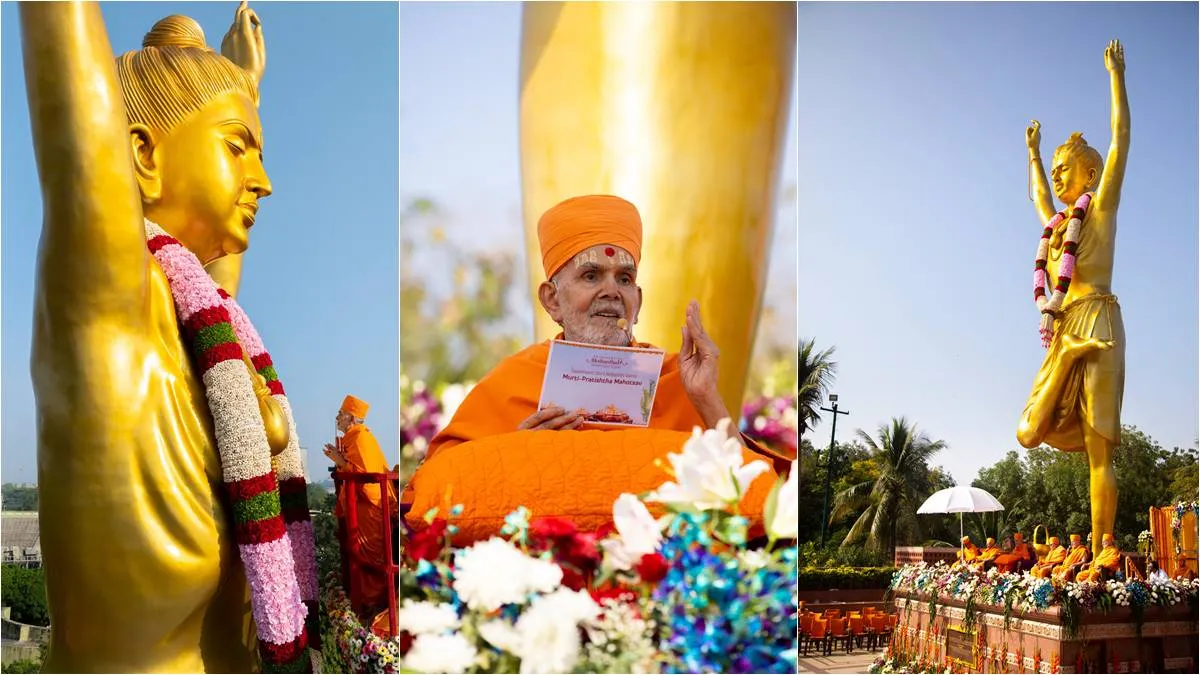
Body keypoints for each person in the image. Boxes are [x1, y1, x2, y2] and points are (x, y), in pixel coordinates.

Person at [20, 3, 318, 672]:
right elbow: (73, 113)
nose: (264, 183)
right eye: (238, 146)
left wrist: (244, 87)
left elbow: (219, 284)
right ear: (141, 154)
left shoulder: (203, 329)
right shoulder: (104, 300)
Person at [403, 195, 791, 536]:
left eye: (624, 278)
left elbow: (763, 500)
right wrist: (511, 456)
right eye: (591, 276)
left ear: (637, 299)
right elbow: (438, 496)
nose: (611, 292)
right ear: (552, 300)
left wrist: (707, 399)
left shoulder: (677, 379)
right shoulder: (514, 380)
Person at [1017, 40, 1129, 559]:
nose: (1060, 176)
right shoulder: (1059, 226)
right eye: (1057, 168)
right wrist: (1035, 155)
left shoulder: (1098, 211)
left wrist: (1116, 75)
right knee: (1028, 430)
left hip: (1100, 324)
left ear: (1089, 174)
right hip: (1065, 329)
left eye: (1066, 167)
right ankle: (1065, 355)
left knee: (1098, 450)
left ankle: (1102, 550)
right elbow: (1038, 197)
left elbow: (1120, 136)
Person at [325, 395, 398, 616]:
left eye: (340, 414)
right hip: (360, 504)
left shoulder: (361, 438)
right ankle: (366, 603)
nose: (337, 417)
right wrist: (340, 461)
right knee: (358, 553)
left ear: (351, 418)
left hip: (370, 505)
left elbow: (365, 476)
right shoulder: (352, 437)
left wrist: (340, 461)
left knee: (371, 556)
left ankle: (373, 603)